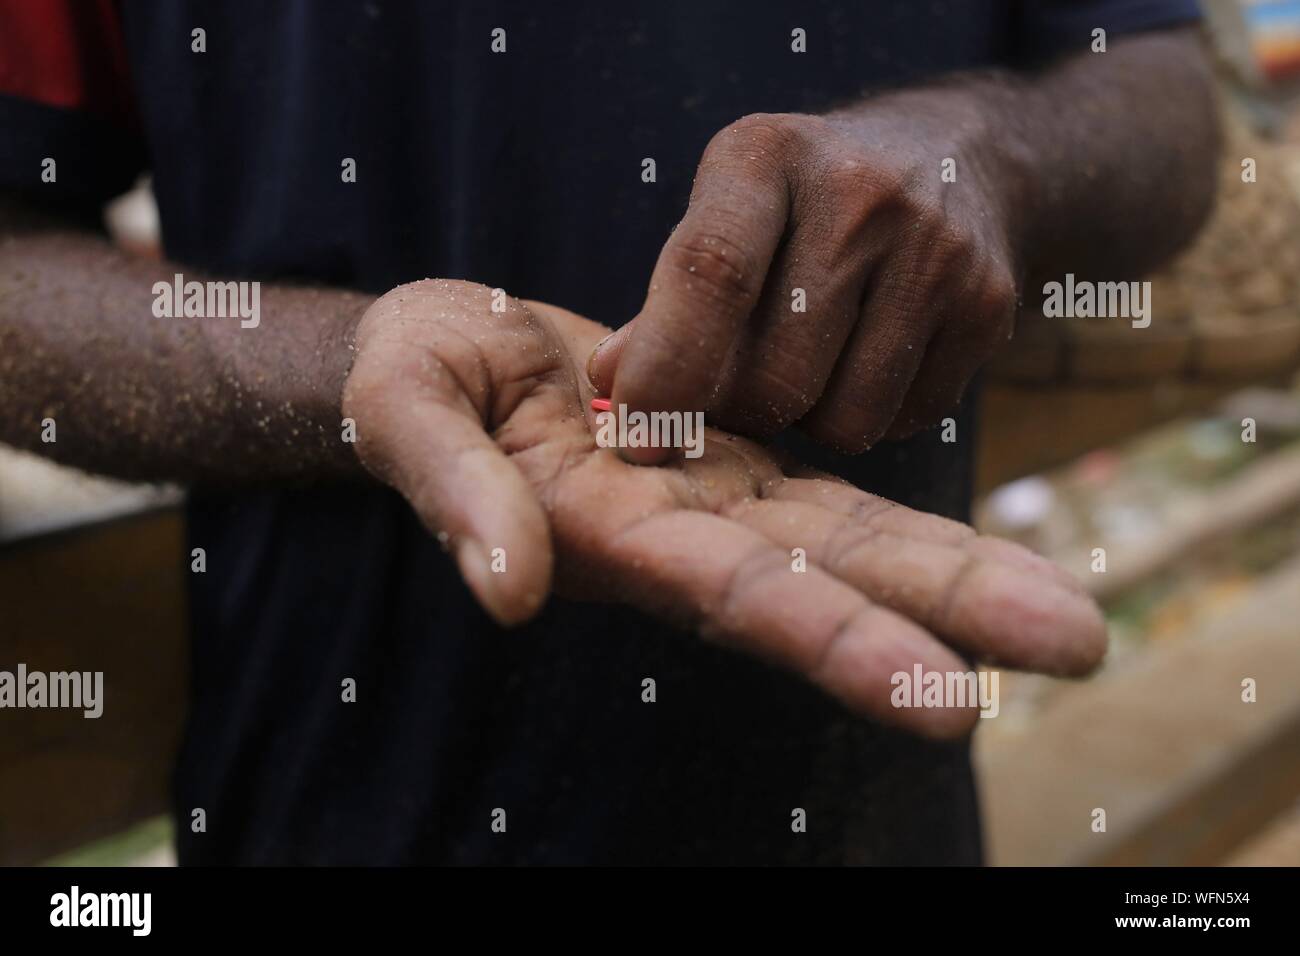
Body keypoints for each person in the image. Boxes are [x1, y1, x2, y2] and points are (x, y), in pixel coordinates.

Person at [0, 1, 1217, 864]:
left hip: (868, 790)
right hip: (346, 799)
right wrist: (346, 362)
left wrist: (983, 152)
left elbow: (1158, 87)